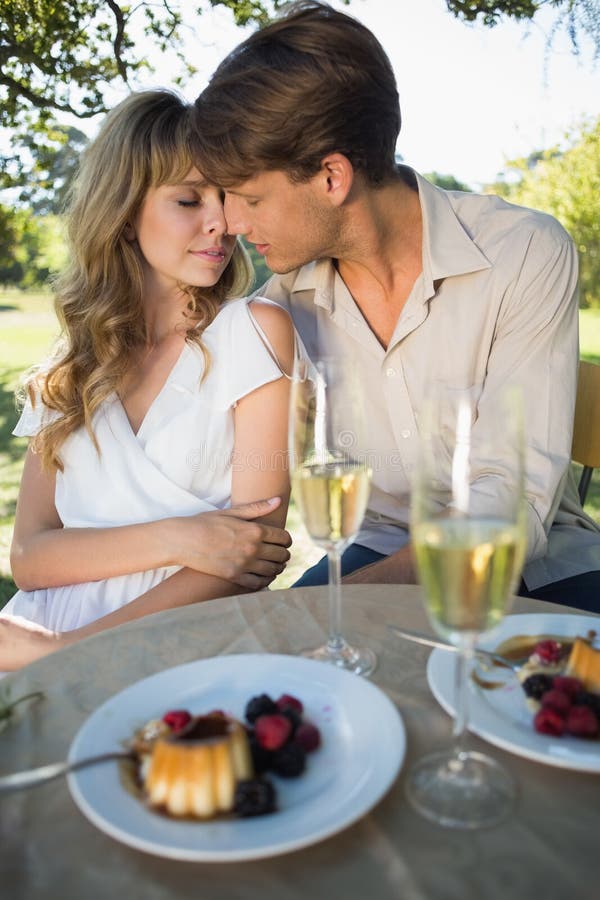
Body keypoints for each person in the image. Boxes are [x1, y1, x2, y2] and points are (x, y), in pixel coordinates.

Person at [191, 0, 600, 612]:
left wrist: (326, 610)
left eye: (249, 197)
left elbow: (509, 501)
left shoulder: (523, 252)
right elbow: (225, 462)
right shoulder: (278, 307)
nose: (230, 221)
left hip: (541, 570)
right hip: (377, 550)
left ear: (332, 177)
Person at [0, 89, 297, 671]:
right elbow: (31, 557)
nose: (223, 223)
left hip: (177, 643)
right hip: (31, 634)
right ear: (125, 213)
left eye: (226, 199)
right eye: (189, 200)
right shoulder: (69, 367)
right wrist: (179, 538)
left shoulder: (255, 332)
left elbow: (253, 555)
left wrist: (71, 654)